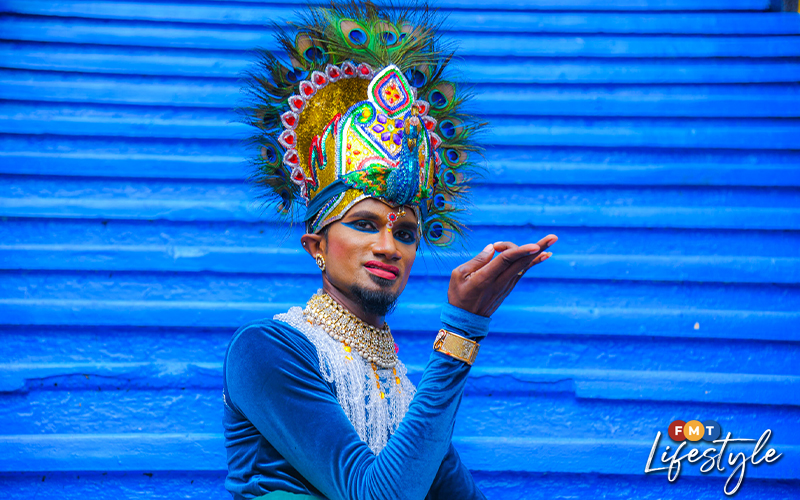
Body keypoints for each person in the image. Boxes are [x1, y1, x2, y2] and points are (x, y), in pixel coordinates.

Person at [222, 3, 557, 499]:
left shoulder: (400, 386)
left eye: (405, 233)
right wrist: (463, 330)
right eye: (363, 224)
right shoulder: (265, 350)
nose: (388, 246)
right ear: (317, 245)